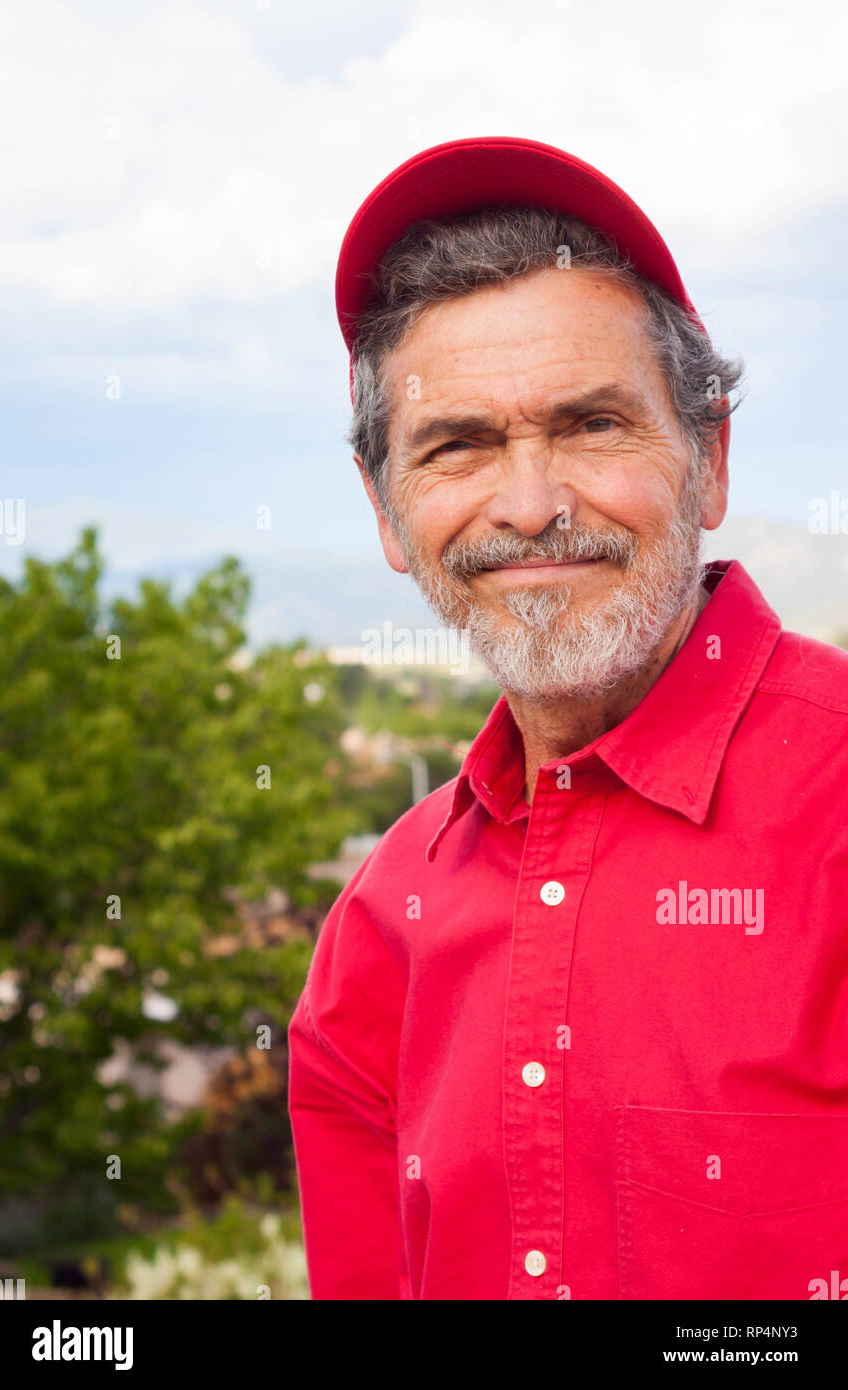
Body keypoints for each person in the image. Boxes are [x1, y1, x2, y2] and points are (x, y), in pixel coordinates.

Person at [287, 137, 848, 1300]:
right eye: (458, 446)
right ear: (387, 514)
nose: (532, 505)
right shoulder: (378, 929)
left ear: (708, 458)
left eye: (591, 425)